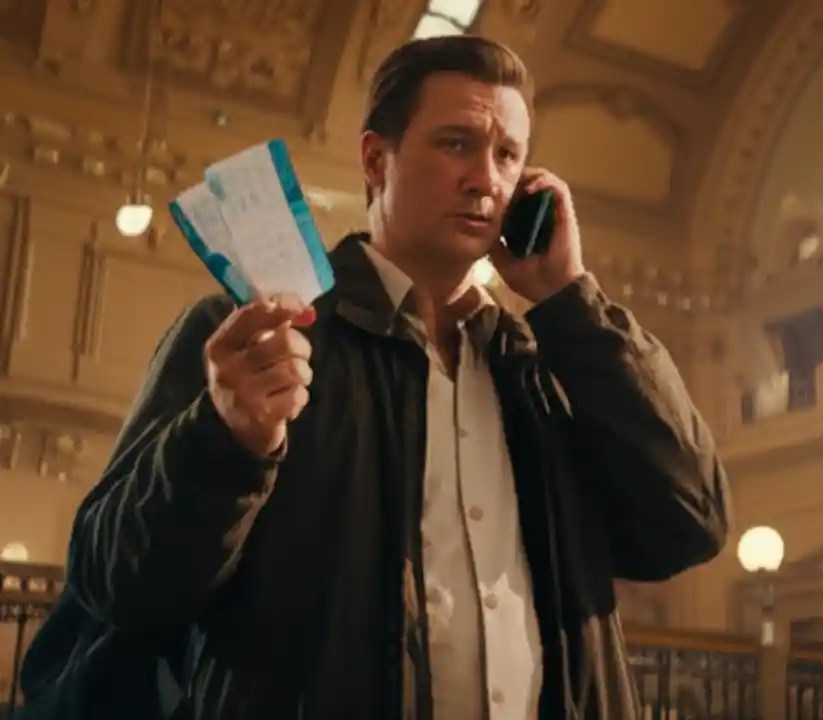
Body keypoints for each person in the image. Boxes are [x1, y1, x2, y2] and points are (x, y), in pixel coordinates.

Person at [17, 35, 730, 719]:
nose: (486, 179)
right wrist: (226, 438)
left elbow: (687, 526)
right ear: (375, 159)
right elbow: (119, 583)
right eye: (456, 143)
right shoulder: (253, 340)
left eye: (508, 155)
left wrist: (571, 298)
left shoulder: (546, 363)